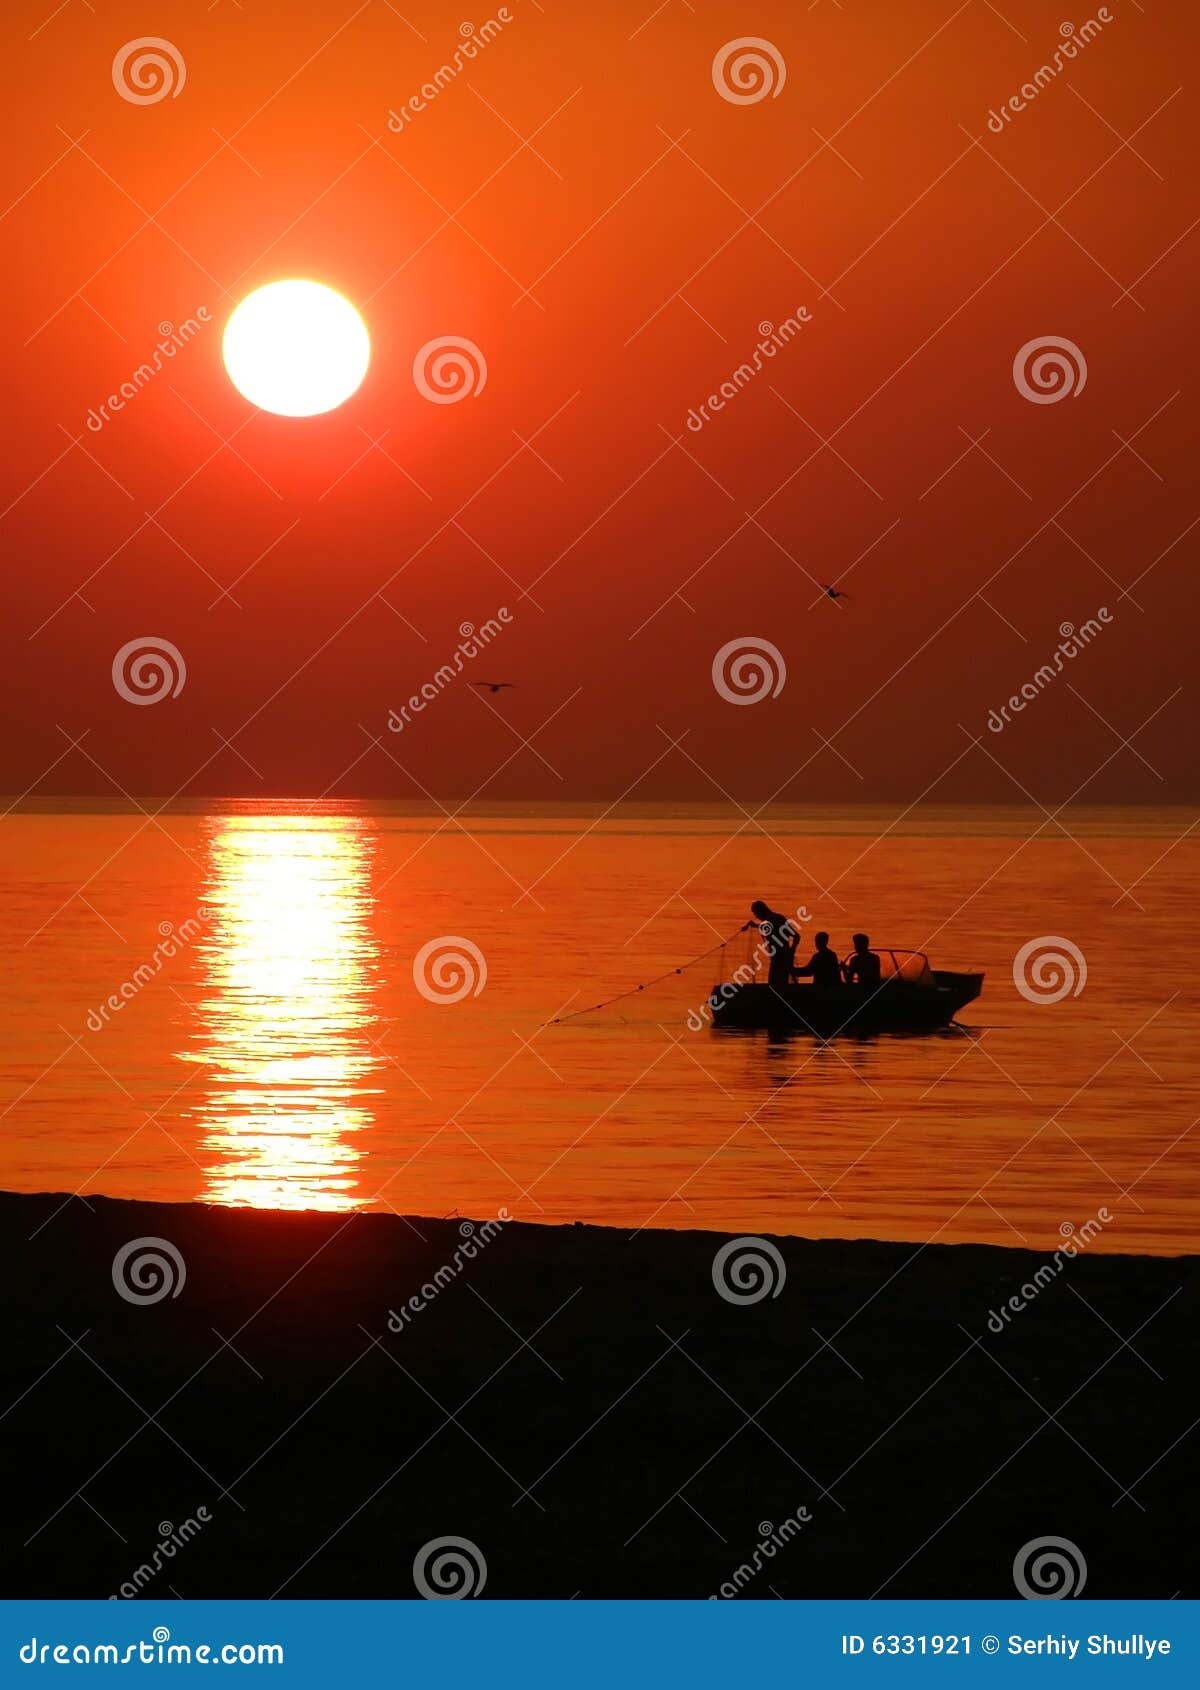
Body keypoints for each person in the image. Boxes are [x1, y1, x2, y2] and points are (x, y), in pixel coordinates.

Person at [746, 900, 799, 991]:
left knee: (777, 987)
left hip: (781, 961)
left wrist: (791, 951)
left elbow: (796, 936)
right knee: (778, 987)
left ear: (761, 911)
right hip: (777, 960)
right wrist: (755, 925)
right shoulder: (776, 919)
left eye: (756, 914)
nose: (756, 916)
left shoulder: (776, 919)